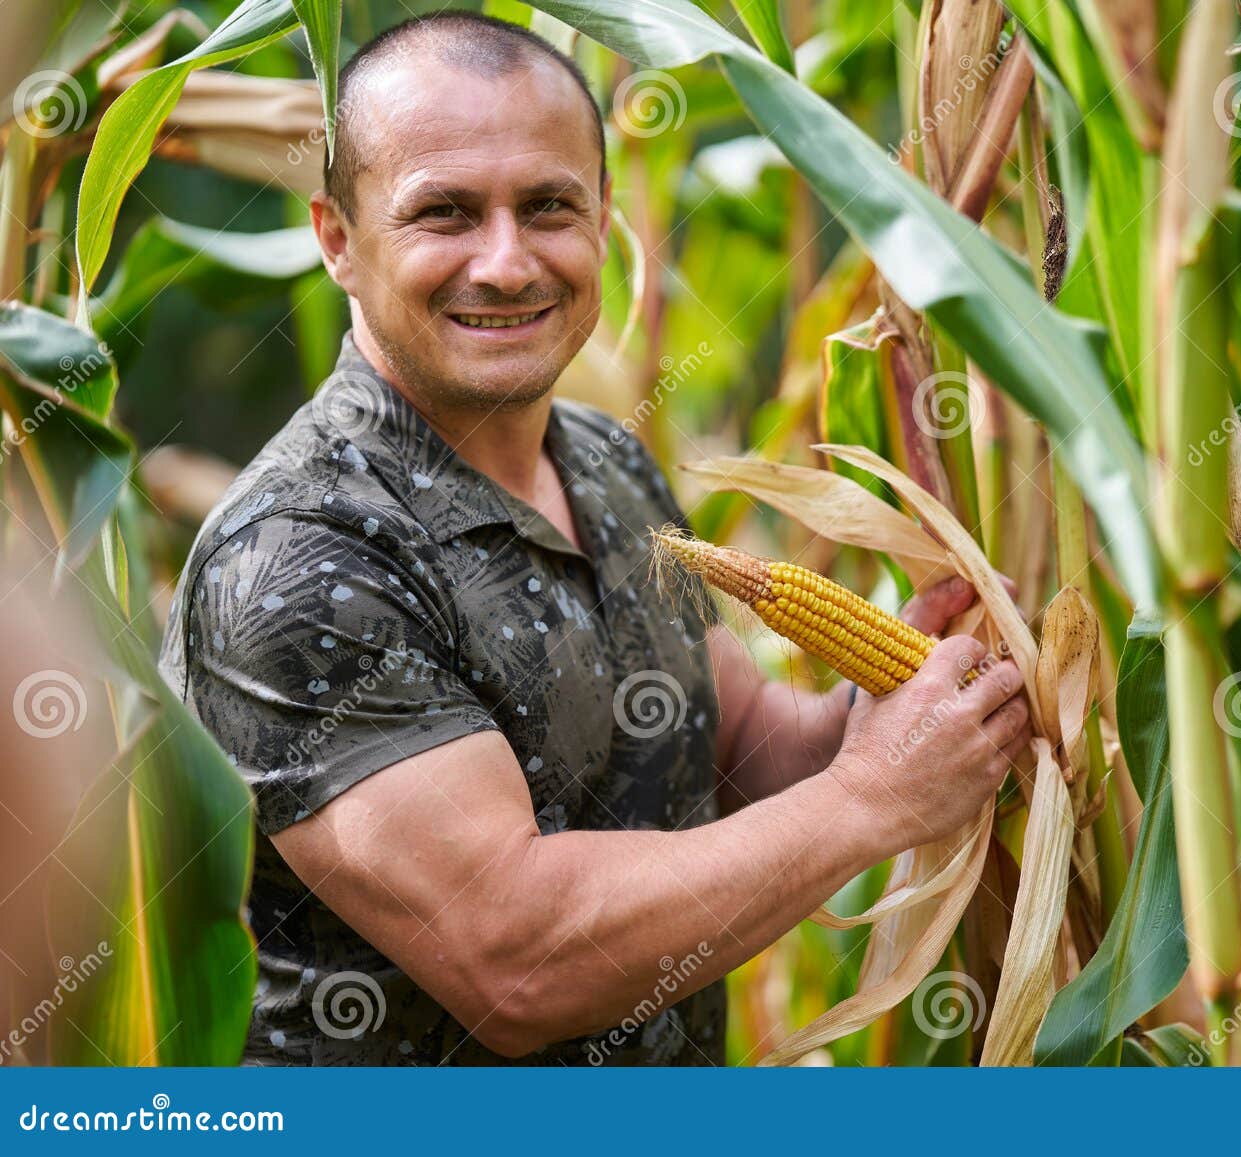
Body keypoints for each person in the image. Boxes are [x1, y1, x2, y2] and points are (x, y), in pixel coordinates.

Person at [159, 10, 1029, 1067]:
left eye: (548, 207)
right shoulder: (300, 560)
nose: (507, 262)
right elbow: (515, 959)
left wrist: (889, 704)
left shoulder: (605, 464)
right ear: (337, 238)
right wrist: (873, 797)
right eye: (444, 213)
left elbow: (732, 751)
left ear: (605, 216)